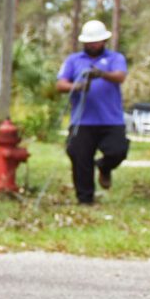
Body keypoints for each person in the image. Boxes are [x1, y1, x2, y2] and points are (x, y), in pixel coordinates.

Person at [53, 20, 129, 202]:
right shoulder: (73, 60)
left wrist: (101, 74)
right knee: (79, 156)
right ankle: (85, 199)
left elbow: (120, 76)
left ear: (104, 41)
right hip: (83, 120)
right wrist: (78, 86)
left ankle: (104, 167)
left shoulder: (115, 58)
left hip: (110, 119)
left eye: (96, 42)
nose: (92, 45)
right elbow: (60, 84)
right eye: (89, 42)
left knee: (117, 151)